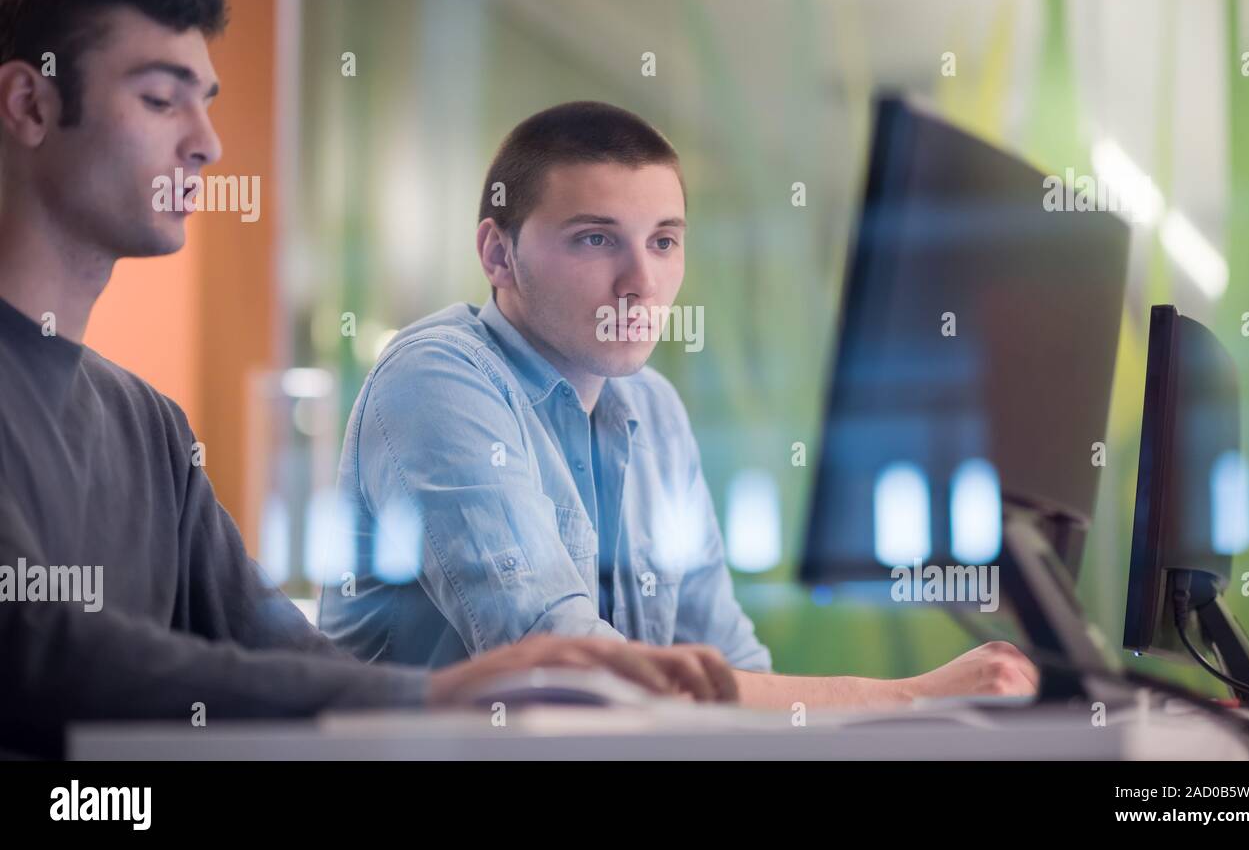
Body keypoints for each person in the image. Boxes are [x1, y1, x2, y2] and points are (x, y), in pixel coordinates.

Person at [0, 0, 734, 759]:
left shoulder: (149, 428)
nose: (207, 142)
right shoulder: (437, 373)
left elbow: (276, 648)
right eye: (163, 99)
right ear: (30, 104)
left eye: (207, 100)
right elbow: (31, 649)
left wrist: (434, 699)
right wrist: (434, 694)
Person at [320, 100, 1040, 708]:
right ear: (498, 254)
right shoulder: (436, 377)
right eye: (596, 238)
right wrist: (913, 697)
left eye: (664, 241)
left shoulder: (652, 410)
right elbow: (566, 672)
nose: (642, 282)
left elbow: (729, 664)